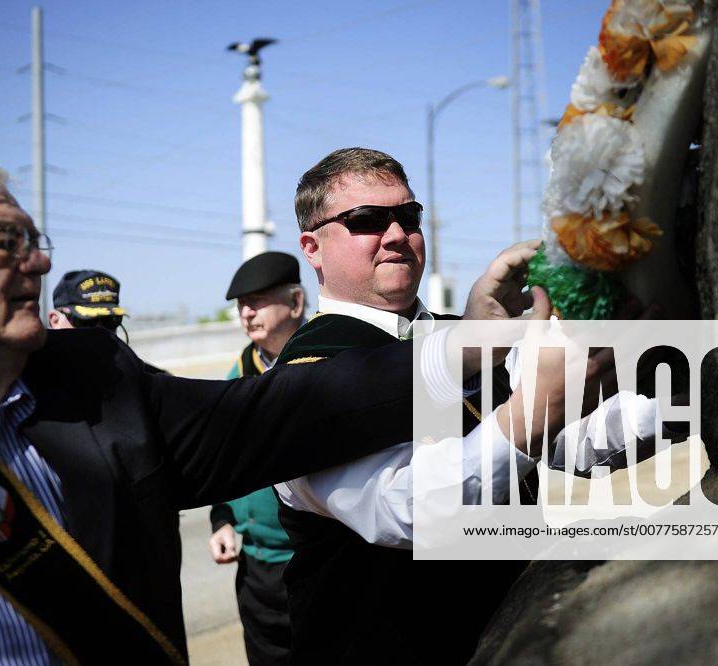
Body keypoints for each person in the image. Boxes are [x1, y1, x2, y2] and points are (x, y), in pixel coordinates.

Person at [0, 151, 495, 664]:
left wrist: (470, 348)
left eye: (35, 240)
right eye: (5, 241)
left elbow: (287, 412)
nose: (40, 263)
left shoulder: (96, 379)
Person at [274, 147, 656, 664]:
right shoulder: (304, 373)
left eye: (407, 216)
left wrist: (680, 404)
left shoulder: (462, 333)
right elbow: (408, 510)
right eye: (364, 221)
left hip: (515, 635)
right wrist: (533, 415)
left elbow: (570, 443)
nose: (395, 235)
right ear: (312, 247)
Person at [209, 251, 305, 665]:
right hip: (256, 570)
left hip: (314, 560)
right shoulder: (238, 376)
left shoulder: (328, 361)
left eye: (259, 300)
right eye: (241, 304)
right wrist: (222, 518)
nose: (247, 313)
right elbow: (220, 457)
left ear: (296, 303)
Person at [48, 269, 127, 339]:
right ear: (55, 321)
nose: (101, 332)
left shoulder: (125, 355)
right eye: (87, 323)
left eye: (109, 321)